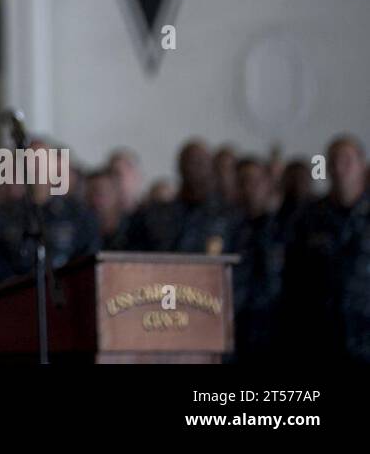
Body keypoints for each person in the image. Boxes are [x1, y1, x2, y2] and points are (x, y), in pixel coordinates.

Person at [0, 140, 102, 292]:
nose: (36, 169)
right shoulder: (1, 217)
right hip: (12, 300)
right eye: (30, 162)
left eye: (42, 162)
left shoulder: (78, 216)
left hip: (64, 300)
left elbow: (90, 266)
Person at [282, 135, 370, 364]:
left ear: (362, 165)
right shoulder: (310, 217)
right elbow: (293, 277)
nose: (340, 169)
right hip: (322, 338)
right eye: (334, 162)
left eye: (347, 161)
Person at [123, 140, 242, 254]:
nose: (194, 169)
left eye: (200, 162)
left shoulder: (229, 217)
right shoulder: (157, 215)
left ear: (211, 167)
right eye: (189, 162)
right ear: (180, 167)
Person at [232, 157, 284, 361]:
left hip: (276, 325)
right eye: (243, 181)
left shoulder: (286, 226)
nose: (249, 188)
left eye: (256, 181)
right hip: (238, 326)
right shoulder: (228, 227)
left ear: (268, 184)